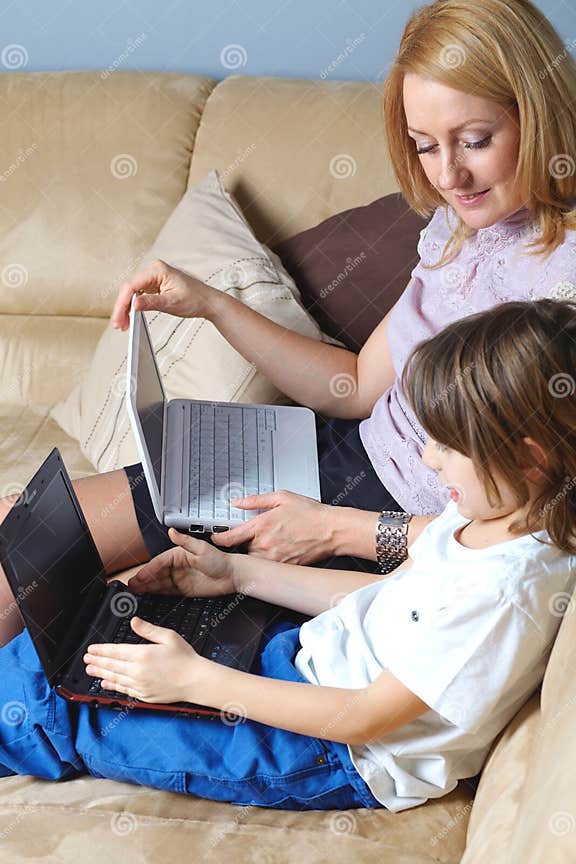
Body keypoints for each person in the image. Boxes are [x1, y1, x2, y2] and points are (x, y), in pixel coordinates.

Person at [1, 0, 576, 642]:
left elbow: (529, 529)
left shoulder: (563, 288)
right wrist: (213, 304)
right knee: (29, 530)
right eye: (424, 147)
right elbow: (356, 386)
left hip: (394, 526)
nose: (448, 175)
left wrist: (333, 528)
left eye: (474, 142)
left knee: (60, 591)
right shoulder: (459, 230)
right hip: (337, 456)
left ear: (539, 113)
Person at [1, 298, 575, 814]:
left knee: (69, 708)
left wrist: (195, 681)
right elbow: (387, 599)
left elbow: (366, 717)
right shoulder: (485, 516)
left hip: (328, 749)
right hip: (304, 665)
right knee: (70, 641)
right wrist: (237, 574)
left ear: (528, 460)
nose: (428, 459)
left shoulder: (506, 593)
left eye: (449, 446)